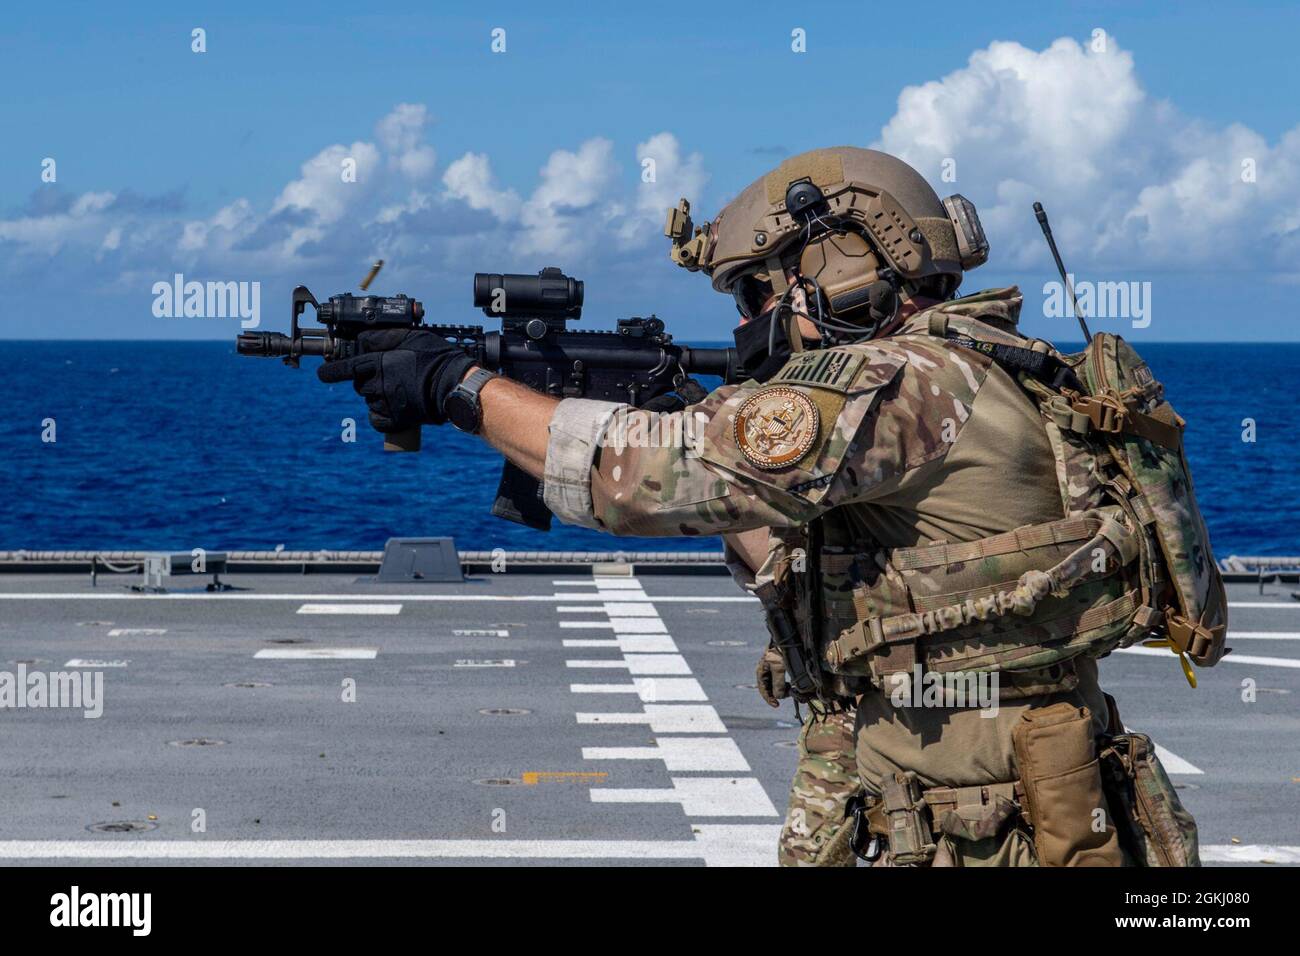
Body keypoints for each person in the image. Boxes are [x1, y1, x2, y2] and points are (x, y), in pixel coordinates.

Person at [319, 146, 1223, 866]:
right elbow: (805, 565)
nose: (759, 317)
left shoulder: (902, 378)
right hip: (972, 799)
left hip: (990, 819)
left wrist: (456, 384)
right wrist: (694, 435)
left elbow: (630, 481)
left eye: (762, 288)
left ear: (842, 256)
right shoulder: (983, 365)